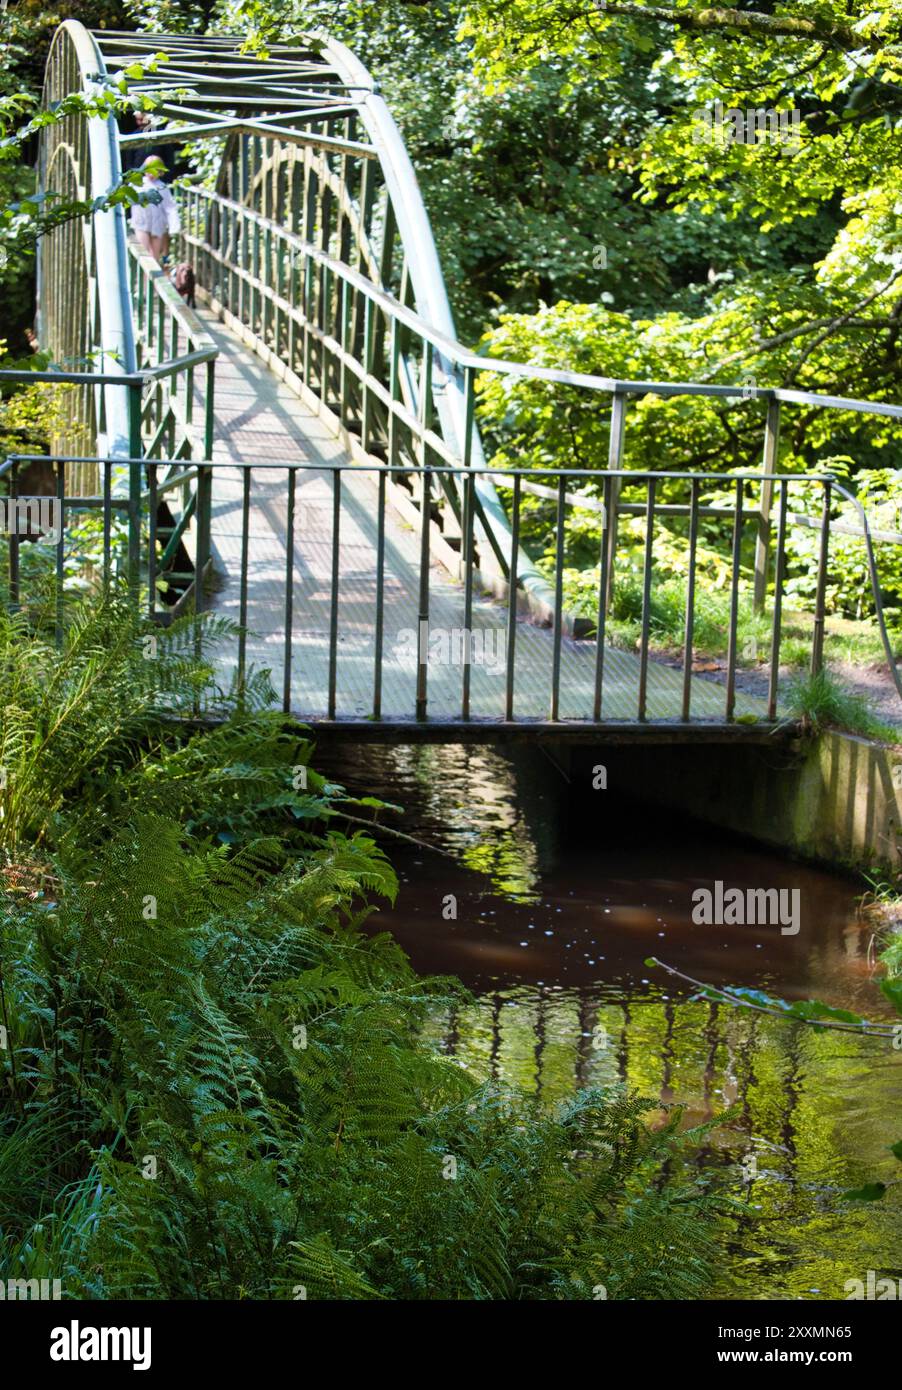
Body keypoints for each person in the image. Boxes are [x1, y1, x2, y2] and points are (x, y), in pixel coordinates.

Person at [130, 157, 181, 264]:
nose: (152, 174)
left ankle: (152, 274)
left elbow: (170, 207)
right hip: (141, 223)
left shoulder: (162, 187)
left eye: (156, 171)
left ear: (160, 172)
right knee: (143, 253)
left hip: (157, 225)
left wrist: (174, 226)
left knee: (155, 257)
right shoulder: (137, 184)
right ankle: (142, 274)